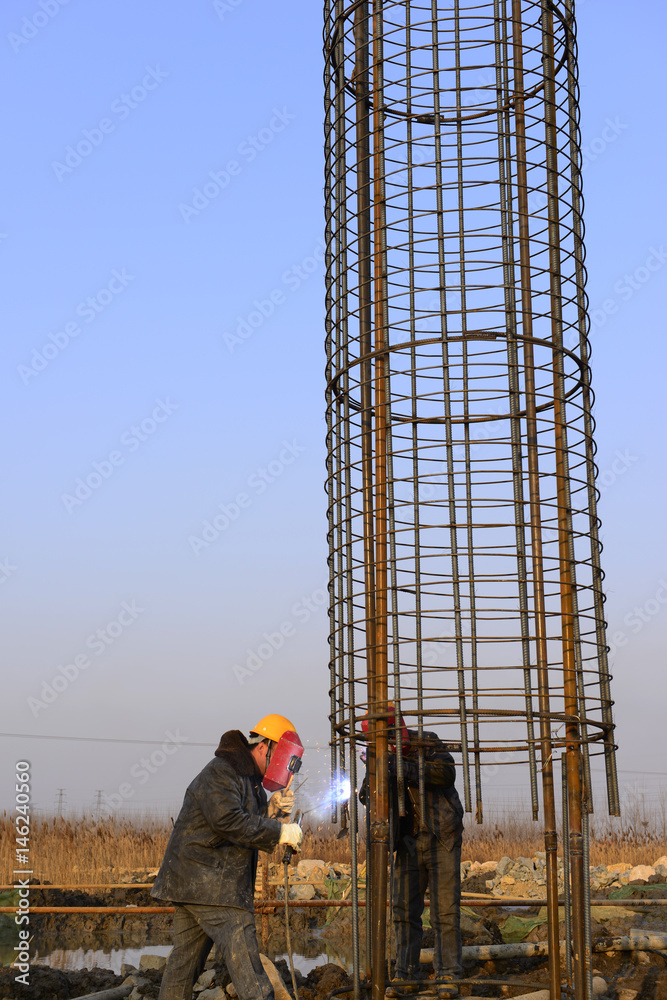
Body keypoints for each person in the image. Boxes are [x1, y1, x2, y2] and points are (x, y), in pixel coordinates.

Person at [152, 714, 304, 1000]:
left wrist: (272, 812)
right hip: (213, 886)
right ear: (263, 748)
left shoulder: (245, 778)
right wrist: (281, 833)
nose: (282, 768)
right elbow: (227, 822)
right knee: (251, 976)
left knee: (182, 970)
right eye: (281, 758)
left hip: (194, 883)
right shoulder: (223, 771)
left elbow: (243, 823)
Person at [360, 707, 464, 999]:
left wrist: (403, 767)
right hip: (406, 841)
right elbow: (372, 800)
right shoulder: (379, 758)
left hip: (442, 836)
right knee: (405, 911)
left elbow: (446, 774)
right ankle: (406, 974)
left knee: (445, 911)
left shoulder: (427, 742)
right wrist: (373, 780)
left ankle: (448, 974)